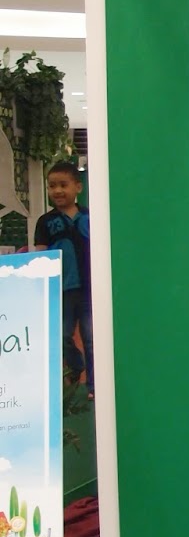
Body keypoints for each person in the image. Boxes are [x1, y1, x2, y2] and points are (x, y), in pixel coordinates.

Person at [34, 160, 92, 390]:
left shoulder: (90, 217)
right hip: (61, 290)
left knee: (91, 339)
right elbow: (39, 254)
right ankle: (76, 367)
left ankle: (94, 387)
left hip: (89, 289)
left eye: (63, 185)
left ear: (78, 187)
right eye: (52, 186)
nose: (57, 190)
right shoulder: (45, 222)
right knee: (62, 336)